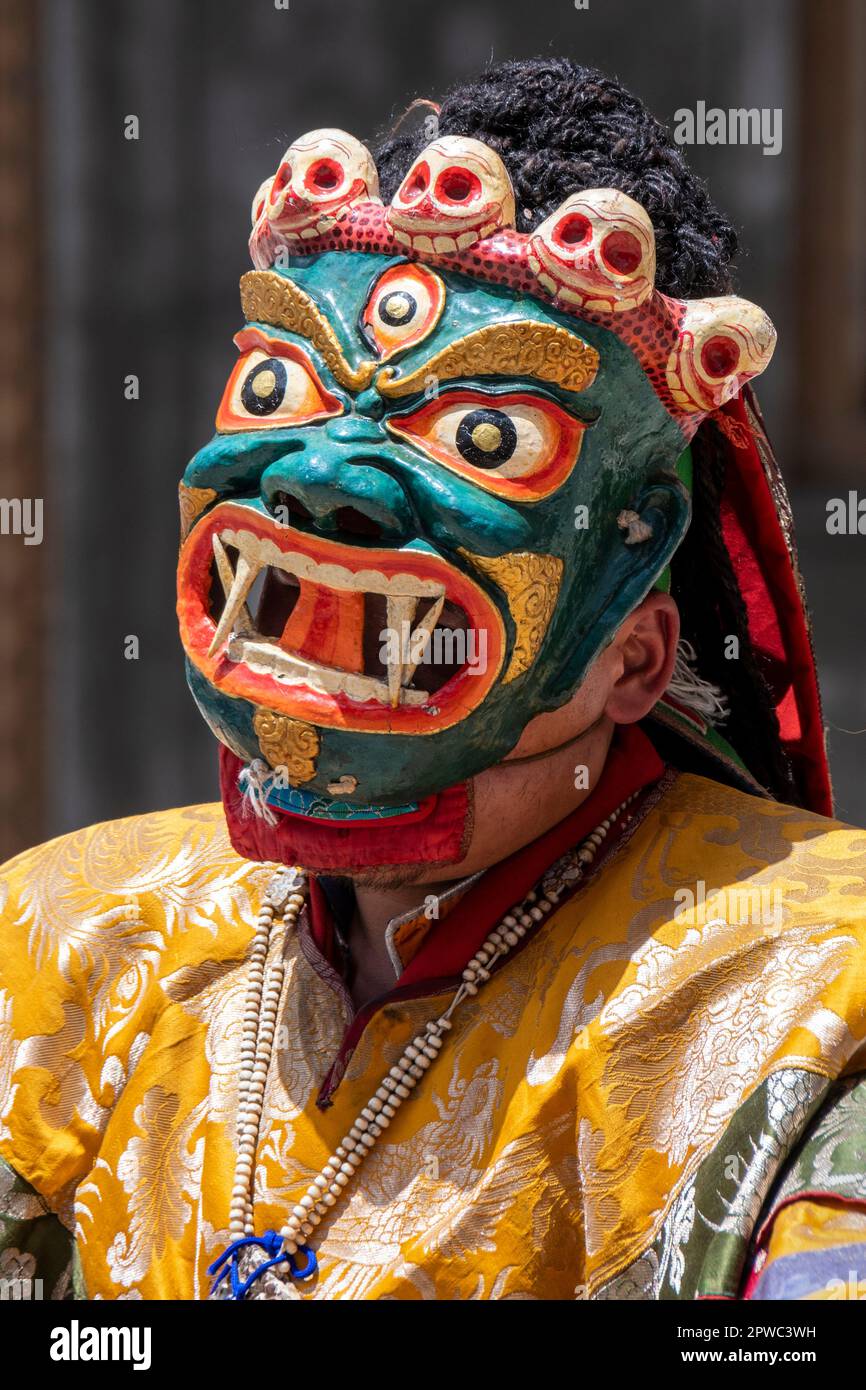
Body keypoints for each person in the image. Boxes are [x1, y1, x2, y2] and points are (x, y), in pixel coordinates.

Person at [2, 58, 865, 1303]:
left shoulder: (812, 981)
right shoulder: (60, 942)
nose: (325, 479)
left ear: (637, 646)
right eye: (276, 390)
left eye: (482, 435)